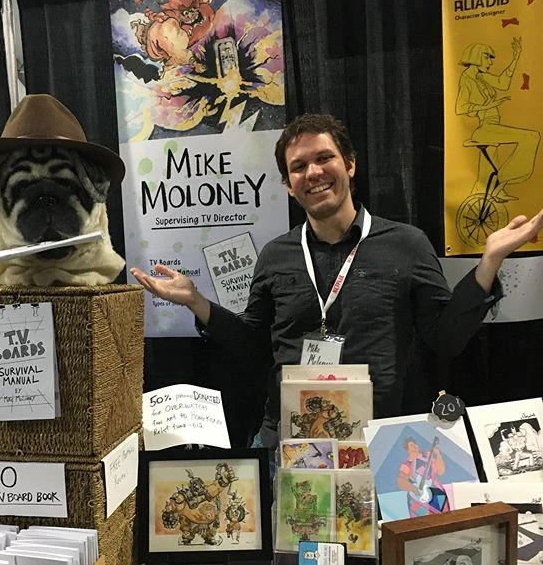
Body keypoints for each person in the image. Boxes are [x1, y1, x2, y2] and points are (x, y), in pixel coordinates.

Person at [130, 113, 543, 449]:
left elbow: (445, 340)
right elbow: (253, 344)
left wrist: (489, 263)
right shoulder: (276, 255)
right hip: (292, 441)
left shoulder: (407, 244)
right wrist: (197, 301)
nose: (313, 172)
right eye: (298, 167)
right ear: (288, 186)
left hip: (380, 442)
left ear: (349, 164)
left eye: (324, 158)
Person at [456, 38, 540, 201]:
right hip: (485, 129)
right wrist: (489, 105)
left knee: (487, 169)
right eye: (486, 57)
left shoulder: (481, 77)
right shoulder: (467, 79)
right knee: (531, 136)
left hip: (492, 128)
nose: (490, 62)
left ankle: (490, 189)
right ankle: (500, 179)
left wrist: (515, 58)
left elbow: (503, 83)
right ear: (476, 57)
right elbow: (461, 108)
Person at [397, 437, 448, 517]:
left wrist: (438, 454)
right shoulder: (406, 464)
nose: (415, 446)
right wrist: (414, 489)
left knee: (444, 516)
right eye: (411, 445)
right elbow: (401, 481)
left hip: (436, 492)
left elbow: (440, 471)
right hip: (418, 496)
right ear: (407, 449)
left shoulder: (427, 455)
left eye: (415, 444)